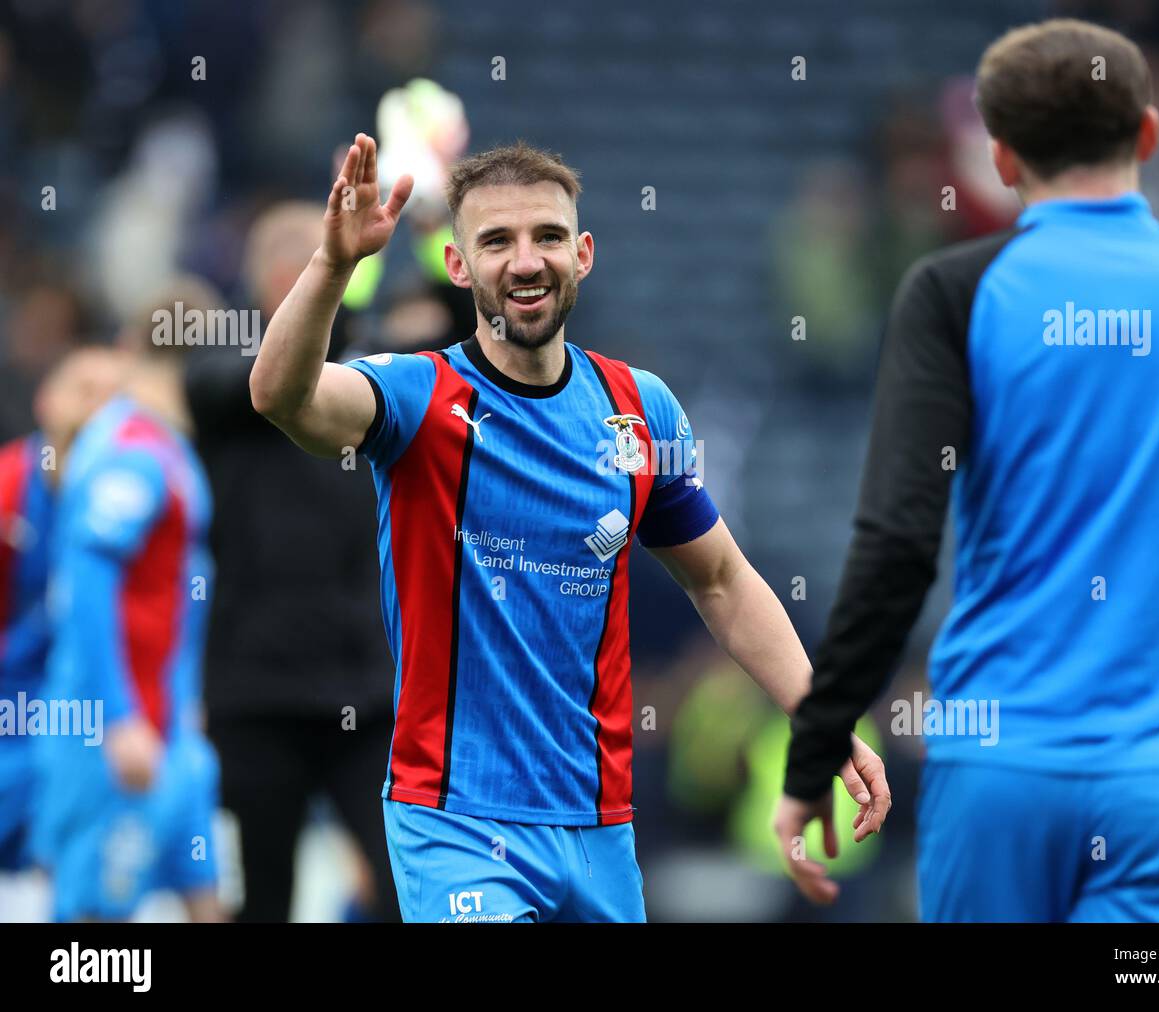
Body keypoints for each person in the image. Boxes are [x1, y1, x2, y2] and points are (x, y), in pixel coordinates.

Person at [249, 135, 892, 921]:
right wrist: (333, 264)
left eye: (547, 236)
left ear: (582, 253)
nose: (526, 261)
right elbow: (283, 397)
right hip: (456, 819)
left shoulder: (639, 406)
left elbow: (721, 580)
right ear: (458, 265)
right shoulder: (416, 398)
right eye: (497, 241)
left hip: (599, 827)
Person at [778, 18, 1159, 921]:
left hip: (997, 774)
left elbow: (898, 541)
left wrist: (820, 746)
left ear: (1003, 156)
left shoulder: (955, 293)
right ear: (1148, 134)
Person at [186, 202, 400, 923]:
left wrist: (435, 232)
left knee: (408, 891)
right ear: (288, 276)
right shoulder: (222, 375)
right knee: (263, 903)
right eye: (335, 267)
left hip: (365, 697)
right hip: (257, 699)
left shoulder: (370, 377)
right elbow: (259, 388)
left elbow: (459, 341)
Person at [33, 285, 224, 921]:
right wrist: (119, 716)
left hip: (162, 724)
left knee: (202, 899)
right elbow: (87, 580)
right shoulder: (138, 454)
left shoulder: (150, 444)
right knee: (93, 930)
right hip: (119, 732)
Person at [0, 349, 124, 880]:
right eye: (83, 387)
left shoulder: (136, 489)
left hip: (102, 714)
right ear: (44, 401)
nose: (98, 404)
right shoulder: (9, 485)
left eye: (113, 392)